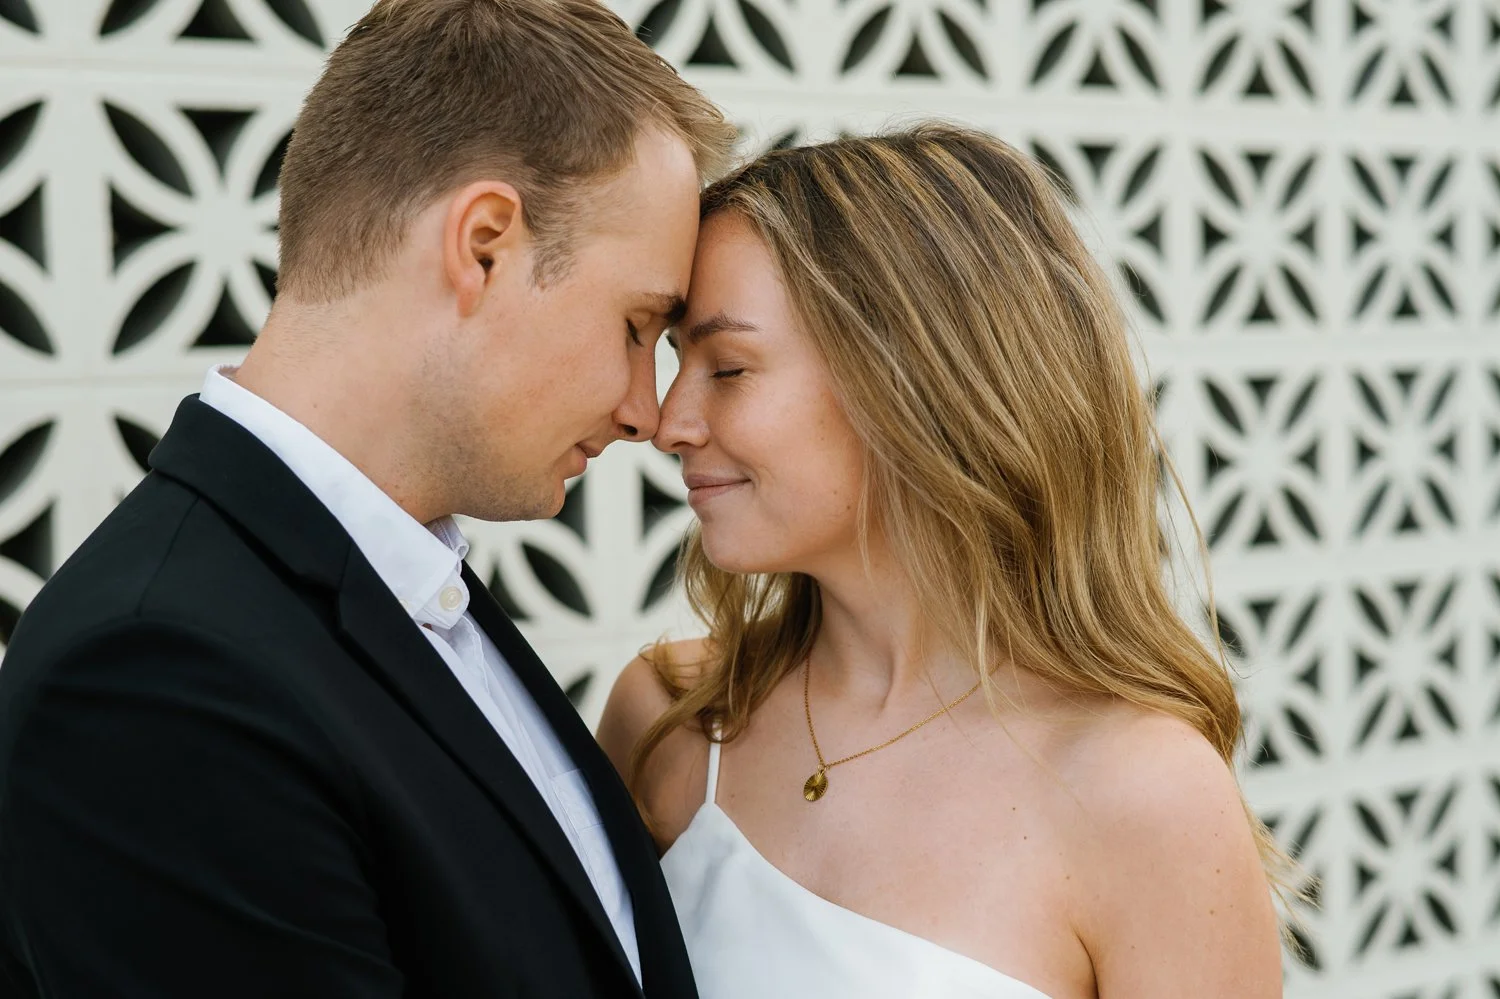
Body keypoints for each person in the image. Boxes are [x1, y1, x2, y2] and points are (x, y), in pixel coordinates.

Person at [0, 1, 734, 995]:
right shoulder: (156, 674)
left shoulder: (398, 589)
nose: (647, 412)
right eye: (636, 325)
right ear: (483, 245)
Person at [599, 125, 1289, 999]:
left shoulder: (1144, 794)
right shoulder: (669, 718)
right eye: (676, 360)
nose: (669, 422)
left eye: (728, 367)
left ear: (913, 387)